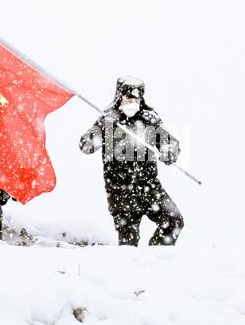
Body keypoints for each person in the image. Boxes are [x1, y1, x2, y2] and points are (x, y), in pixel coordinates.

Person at [79, 76, 184, 246]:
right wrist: (102, 128)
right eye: (128, 99)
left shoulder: (149, 119)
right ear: (119, 98)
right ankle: (129, 268)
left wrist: (169, 150)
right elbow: (86, 146)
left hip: (149, 186)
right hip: (120, 191)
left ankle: (155, 258)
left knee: (174, 221)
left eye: (136, 99)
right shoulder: (108, 120)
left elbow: (170, 142)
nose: (132, 103)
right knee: (129, 243)